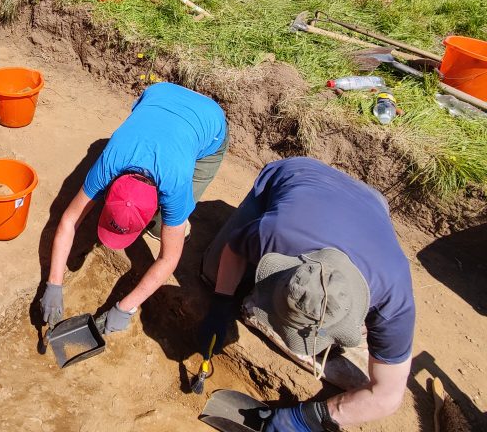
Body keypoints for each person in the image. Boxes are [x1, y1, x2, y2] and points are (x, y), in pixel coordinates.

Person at [199, 157, 414, 431]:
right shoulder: (276, 234)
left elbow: (388, 396)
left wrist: (312, 416)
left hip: (373, 203)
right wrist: (220, 303)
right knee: (212, 273)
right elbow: (235, 250)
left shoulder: (393, 299)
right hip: (298, 173)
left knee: (363, 380)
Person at [39, 82, 227, 334]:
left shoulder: (176, 187)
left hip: (209, 120)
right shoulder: (108, 163)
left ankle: (162, 221)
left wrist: (125, 307)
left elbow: (168, 258)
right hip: (159, 94)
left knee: (164, 228)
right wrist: (54, 284)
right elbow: (69, 221)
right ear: (111, 187)